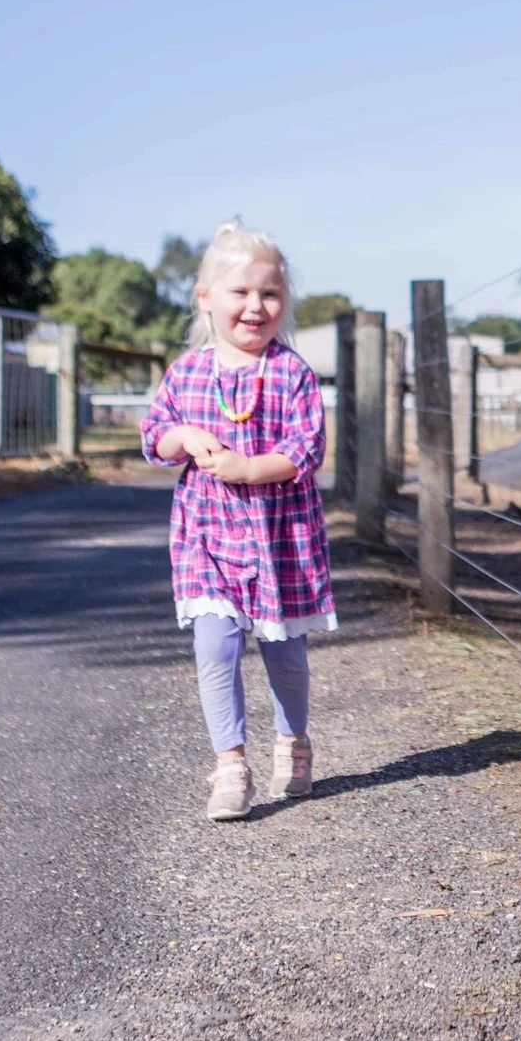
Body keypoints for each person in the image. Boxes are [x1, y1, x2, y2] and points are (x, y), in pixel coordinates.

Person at [142, 221, 333, 820]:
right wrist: (182, 436)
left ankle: (293, 740)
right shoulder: (185, 373)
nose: (256, 306)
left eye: (270, 294)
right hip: (208, 537)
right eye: (240, 292)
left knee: (285, 654)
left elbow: (306, 449)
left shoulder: (292, 374)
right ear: (205, 297)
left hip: (279, 537)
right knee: (215, 645)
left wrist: (249, 467)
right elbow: (153, 436)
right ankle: (230, 764)